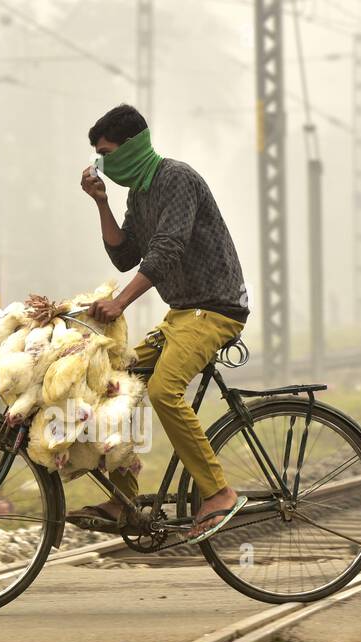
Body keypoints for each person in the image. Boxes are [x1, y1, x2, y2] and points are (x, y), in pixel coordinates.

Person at [69, 104, 249, 544]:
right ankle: (124, 501)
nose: (102, 164)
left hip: (216, 309)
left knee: (162, 390)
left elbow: (166, 250)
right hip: (182, 314)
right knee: (115, 378)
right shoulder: (140, 193)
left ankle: (219, 492)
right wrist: (101, 203)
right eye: (97, 156)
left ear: (132, 146)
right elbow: (126, 254)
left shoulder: (176, 178)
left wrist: (121, 302)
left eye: (106, 153)